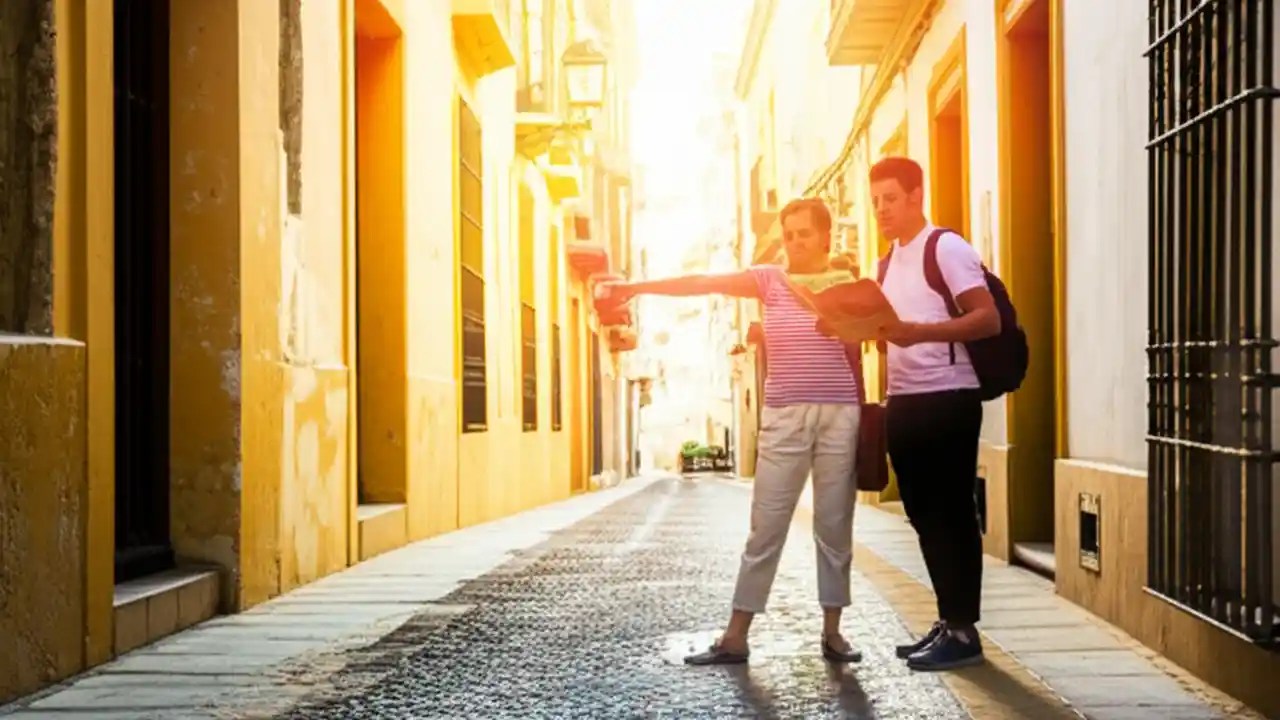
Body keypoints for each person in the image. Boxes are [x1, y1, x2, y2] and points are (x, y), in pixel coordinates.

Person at [603, 197, 863, 665]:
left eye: (804, 233)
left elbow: (869, 339)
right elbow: (702, 283)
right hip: (784, 416)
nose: (795, 243)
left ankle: (833, 634)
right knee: (766, 526)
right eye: (789, 235)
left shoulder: (849, 284)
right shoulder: (770, 280)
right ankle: (735, 635)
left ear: (826, 236)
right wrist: (639, 286)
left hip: (840, 411)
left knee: (835, 523)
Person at [871, 156, 1001, 671]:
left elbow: (986, 319)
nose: (881, 209)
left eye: (891, 199)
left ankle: (965, 632)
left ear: (916, 196)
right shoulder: (886, 262)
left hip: (948, 397)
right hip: (904, 400)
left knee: (952, 514)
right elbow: (895, 329)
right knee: (923, 516)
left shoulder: (944, 247)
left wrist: (918, 333)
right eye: (876, 200)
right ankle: (949, 619)